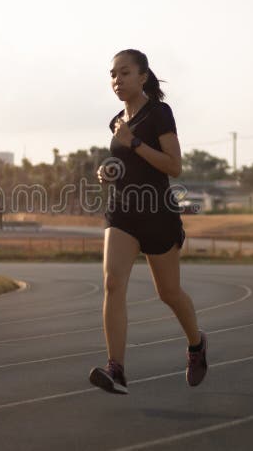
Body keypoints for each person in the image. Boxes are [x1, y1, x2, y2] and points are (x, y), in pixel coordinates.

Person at [88, 49, 207, 395]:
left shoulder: (159, 113)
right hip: (122, 211)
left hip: (157, 214)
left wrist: (134, 142)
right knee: (112, 283)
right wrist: (108, 170)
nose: (117, 80)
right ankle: (116, 369)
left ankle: (197, 344)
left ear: (143, 76)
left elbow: (173, 166)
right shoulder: (116, 122)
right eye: (113, 74)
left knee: (168, 292)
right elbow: (126, 163)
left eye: (124, 73)